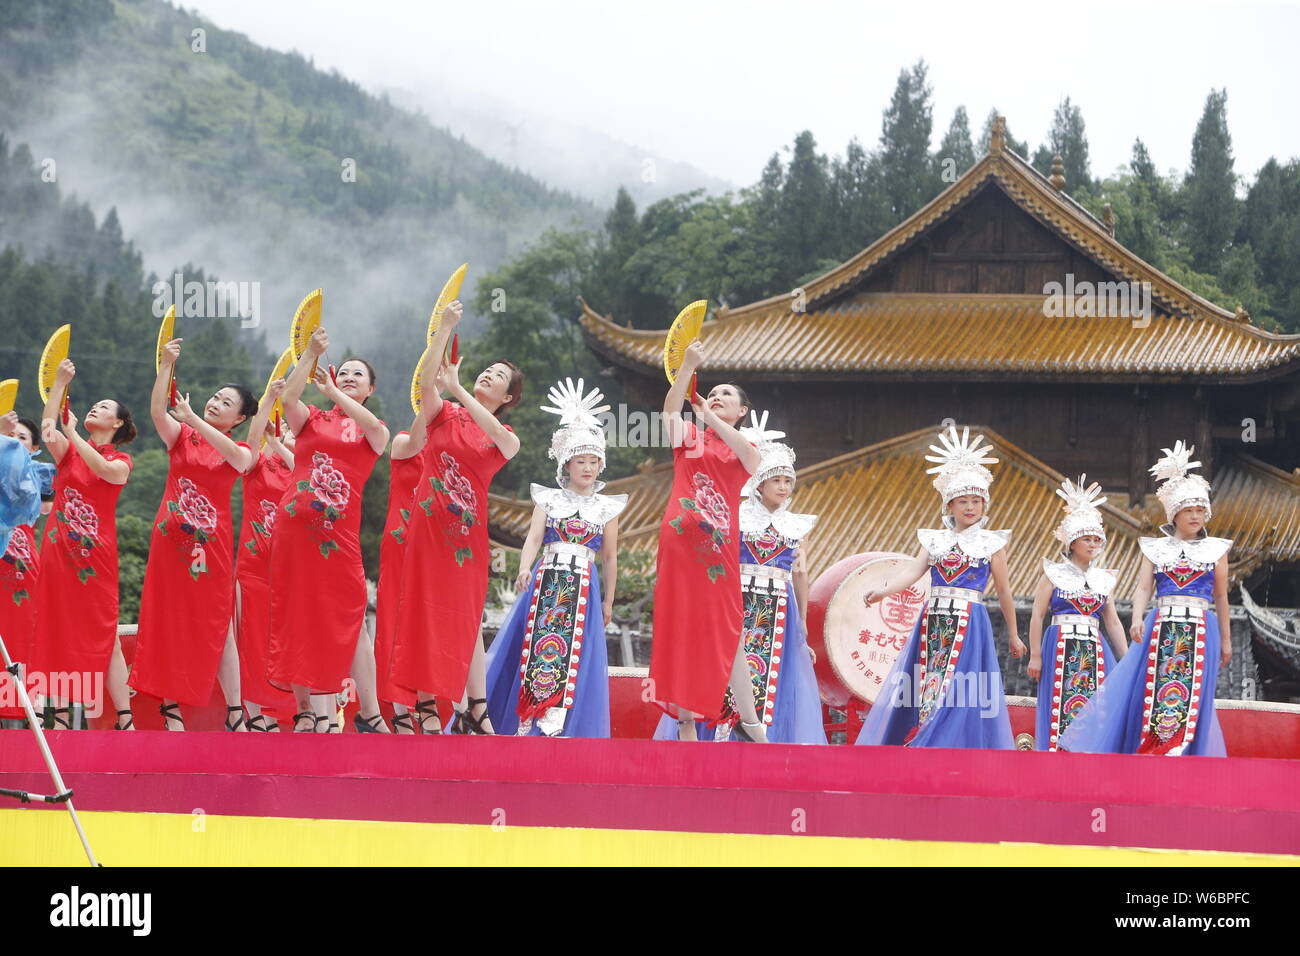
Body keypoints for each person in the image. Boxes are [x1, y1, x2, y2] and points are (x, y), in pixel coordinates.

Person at [390, 301, 522, 734]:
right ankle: (426, 705)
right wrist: (443, 330)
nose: (489, 374)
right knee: (422, 613)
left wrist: (462, 389)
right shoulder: (443, 414)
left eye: (498, 377)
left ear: (508, 398)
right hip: (427, 530)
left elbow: (499, 438)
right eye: (488, 369)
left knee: (462, 617)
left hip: (466, 539)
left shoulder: (505, 438)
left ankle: (474, 708)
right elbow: (426, 383)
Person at [655, 412, 825, 743]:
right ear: (759, 484)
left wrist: (802, 621)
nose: (783, 487)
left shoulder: (797, 524)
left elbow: (800, 571)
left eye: (788, 481)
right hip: (737, 593)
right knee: (724, 655)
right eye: (776, 480)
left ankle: (758, 731)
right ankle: (708, 728)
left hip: (779, 605)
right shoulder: (736, 513)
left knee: (773, 673)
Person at [855, 425, 1023, 749]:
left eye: (976, 501)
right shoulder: (935, 540)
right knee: (929, 683)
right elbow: (913, 572)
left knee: (963, 686)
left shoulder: (992, 543)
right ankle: (926, 737)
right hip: (933, 619)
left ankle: (950, 744)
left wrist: (1014, 634)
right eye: (963, 501)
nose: (970, 507)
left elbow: (1004, 591)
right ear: (949, 506)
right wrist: (883, 591)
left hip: (970, 621)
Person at [1060, 442, 1231, 756]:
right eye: (1188, 510)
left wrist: (1227, 640)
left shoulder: (1217, 551)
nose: (1195, 516)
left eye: (1200, 510)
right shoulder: (1154, 549)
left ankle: (1186, 754)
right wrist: (1137, 618)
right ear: (1174, 514)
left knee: (1195, 695)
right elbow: (1142, 589)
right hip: (1162, 623)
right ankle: (1150, 750)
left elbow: (1221, 596)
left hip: (1202, 626)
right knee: (1149, 689)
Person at [483, 378, 624, 737]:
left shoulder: (608, 507)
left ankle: (563, 727)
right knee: (533, 648)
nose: (588, 467)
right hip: (547, 579)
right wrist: (525, 568)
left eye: (594, 461)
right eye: (581, 461)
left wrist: (608, 599)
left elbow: (609, 558)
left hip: (584, 584)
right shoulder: (548, 499)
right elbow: (532, 538)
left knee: (578, 656)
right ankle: (525, 722)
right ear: (567, 464)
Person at [129, 339, 257, 731]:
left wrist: (194, 419)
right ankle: (170, 710)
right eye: (215, 397)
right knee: (167, 620)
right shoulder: (181, 436)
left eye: (225, 403)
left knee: (217, 624)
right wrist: (165, 365)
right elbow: (155, 411)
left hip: (209, 548)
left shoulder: (236, 447)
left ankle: (236, 711)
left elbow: (240, 461)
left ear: (237, 419)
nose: (215, 403)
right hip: (170, 544)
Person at [266, 331, 389, 733]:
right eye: (345, 371)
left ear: (370, 388)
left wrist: (335, 392)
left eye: (359, 375)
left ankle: (367, 712)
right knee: (301, 615)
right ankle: (315, 714)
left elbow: (373, 430)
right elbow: (288, 400)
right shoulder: (313, 420)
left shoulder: (374, 429)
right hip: (294, 529)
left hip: (338, 537)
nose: (351, 376)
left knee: (350, 612)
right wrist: (311, 355)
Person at [647, 341, 765, 741]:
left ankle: (749, 722)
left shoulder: (743, 447)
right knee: (679, 624)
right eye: (711, 393)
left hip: (719, 552)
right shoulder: (690, 437)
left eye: (725, 395)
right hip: (680, 543)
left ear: (742, 411)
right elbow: (667, 412)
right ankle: (685, 723)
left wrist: (707, 416)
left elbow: (750, 458)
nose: (716, 398)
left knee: (729, 628)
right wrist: (686, 370)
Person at [29, 360, 136, 730]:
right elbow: (46, 430)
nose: (96, 408)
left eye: (105, 407)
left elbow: (106, 473)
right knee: (54, 629)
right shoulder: (68, 452)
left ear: (118, 423)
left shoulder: (121, 459)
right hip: (58, 554)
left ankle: (125, 718)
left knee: (106, 632)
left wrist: (73, 435)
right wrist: (58, 383)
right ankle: (57, 717)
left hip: (96, 559)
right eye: (95, 405)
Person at [1027, 476, 1127, 751]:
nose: (1094, 544)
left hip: (1093, 648)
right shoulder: (1052, 573)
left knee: (1096, 707)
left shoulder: (1104, 580)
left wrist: (1127, 660)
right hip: (1059, 646)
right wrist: (1035, 654)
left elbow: (1113, 622)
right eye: (1087, 538)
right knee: (1058, 705)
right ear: (1072, 542)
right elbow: (1037, 615)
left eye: (1098, 539)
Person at [234, 380, 298, 731]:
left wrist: (282, 443)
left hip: (292, 571)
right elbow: (251, 441)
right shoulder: (259, 462)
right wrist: (269, 400)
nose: (286, 431)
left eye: (292, 428)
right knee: (253, 640)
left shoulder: (305, 468)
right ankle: (254, 714)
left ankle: (295, 712)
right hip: (255, 564)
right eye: (283, 425)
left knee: (287, 641)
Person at [373, 396, 429, 733]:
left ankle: (432, 708)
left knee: (426, 626)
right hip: (400, 544)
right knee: (394, 621)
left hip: (433, 551)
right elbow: (420, 437)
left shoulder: (453, 461)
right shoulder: (404, 443)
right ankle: (399, 711)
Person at [0, 415, 52, 715]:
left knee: (23, 641)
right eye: (10, 437)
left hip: (22, 569)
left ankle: (31, 715)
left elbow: (41, 506)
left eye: (20, 439)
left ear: (33, 448)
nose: (13, 442)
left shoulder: (39, 473)